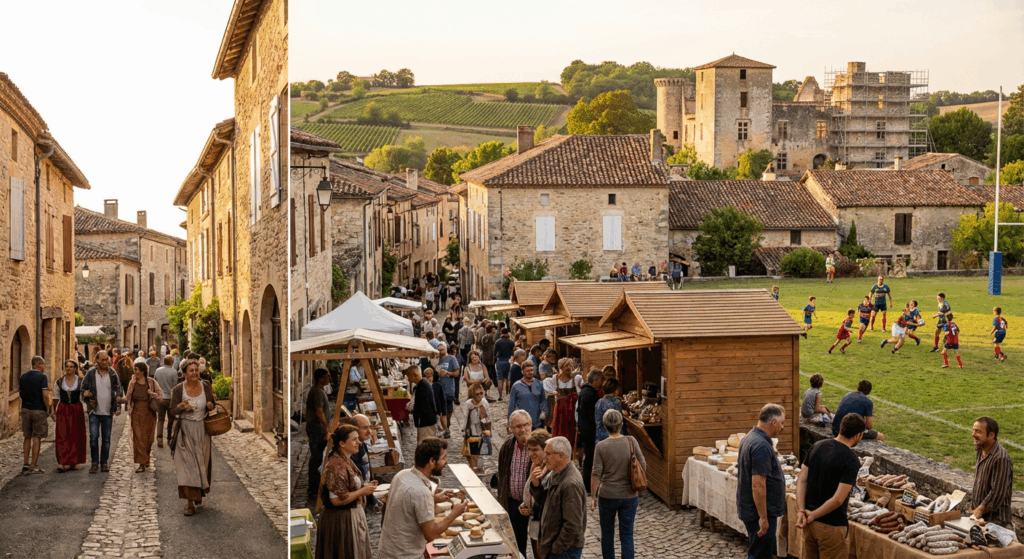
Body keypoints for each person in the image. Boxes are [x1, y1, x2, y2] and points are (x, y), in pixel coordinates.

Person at [377, 438, 468, 559]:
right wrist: (454, 513)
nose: (446, 462)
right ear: (431, 461)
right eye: (443, 458)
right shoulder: (421, 492)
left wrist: (433, 499)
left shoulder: (402, 474)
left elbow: (407, 504)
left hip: (388, 551)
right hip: (404, 555)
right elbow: (431, 534)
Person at [795, 413, 866, 559]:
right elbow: (838, 499)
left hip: (809, 523)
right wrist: (813, 515)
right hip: (831, 526)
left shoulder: (817, 446)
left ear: (841, 428)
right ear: (858, 435)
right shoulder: (851, 460)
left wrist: (802, 511)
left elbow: (801, 480)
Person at [316, 424, 376, 559]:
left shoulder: (346, 459)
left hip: (351, 516)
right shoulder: (336, 465)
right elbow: (336, 500)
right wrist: (362, 491)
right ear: (342, 443)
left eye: (358, 439)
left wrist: (365, 487)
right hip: (341, 521)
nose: (359, 442)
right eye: (354, 439)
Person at [736, 403, 787, 559]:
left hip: (751, 509)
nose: (783, 427)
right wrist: (763, 518)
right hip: (759, 513)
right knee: (760, 555)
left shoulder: (750, 437)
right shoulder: (761, 446)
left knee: (762, 551)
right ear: (773, 422)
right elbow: (758, 485)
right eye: (782, 423)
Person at [592, 409, 643, 559]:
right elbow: (642, 464)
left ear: (605, 425)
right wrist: (637, 484)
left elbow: (596, 474)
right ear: (621, 424)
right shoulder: (631, 441)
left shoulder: (601, 447)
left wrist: (594, 497)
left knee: (607, 533)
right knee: (627, 534)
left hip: (607, 495)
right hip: (629, 495)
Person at [169, 359, 216, 516]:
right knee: (188, 467)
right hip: (185, 430)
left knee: (201, 464)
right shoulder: (178, 389)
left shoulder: (206, 386)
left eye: (196, 370)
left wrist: (210, 405)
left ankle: (198, 493)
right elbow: (172, 411)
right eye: (191, 370)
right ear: (184, 374)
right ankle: (190, 503)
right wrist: (182, 406)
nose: (195, 373)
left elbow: (212, 403)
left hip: (202, 431)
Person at [536, 436, 587, 559]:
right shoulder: (555, 473)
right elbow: (544, 501)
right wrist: (535, 485)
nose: (544, 457)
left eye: (548, 454)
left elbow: (572, 525)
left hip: (564, 552)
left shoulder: (570, 484)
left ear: (561, 455)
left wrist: (556, 548)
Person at [498, 410, 536, 557]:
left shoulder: (540, 445)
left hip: (535, 504)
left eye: (525, 425)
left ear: (531, 424)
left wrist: (533, 503)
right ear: (511, 429)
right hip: (514, 503)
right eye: (517, 427)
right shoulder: (508, 446)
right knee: (517, 544)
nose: (522, 429)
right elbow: (502, 475)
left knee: (538, 544)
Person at [82, 351, 124, 474]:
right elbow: (83, 389)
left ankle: (104, 463)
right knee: (94, 438)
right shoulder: (90, 373)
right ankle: (94, 463)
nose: (106, 362)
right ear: (97, 360)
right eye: (103, 360)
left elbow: (119, 391)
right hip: (94, 411)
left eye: (107, 359)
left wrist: (117, 407)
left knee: (106, 439)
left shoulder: (112, 373)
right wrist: (87, 397)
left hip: (108, 412)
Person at [970, 416, 1014, 528]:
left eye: (978, 431)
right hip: (980, 517)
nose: (973, 434)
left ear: (991, 435)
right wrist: (973, 504)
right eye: (973, 430)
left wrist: (980, 509)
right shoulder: (980, 449)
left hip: (995, 521)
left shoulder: (1001, 458)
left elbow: (997, 493)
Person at [520, 428, 551, 559]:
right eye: (529, 450)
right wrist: (525, 504)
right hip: (534, 525)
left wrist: (533, 507)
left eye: (535, 450)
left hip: (544, 527)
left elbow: (546, 499)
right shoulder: (534, 466)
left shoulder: (549, 471)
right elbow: (530, 492)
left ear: (545, 450)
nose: (531, 454)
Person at [126, 361, 163, 472]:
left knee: (149, 438)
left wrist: (154, 395)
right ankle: (141, 463)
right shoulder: (132, 382)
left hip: (149, 413)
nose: (134, 372)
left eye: (136, 369)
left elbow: (160, 395)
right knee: (138, 438)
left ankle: (146, 459)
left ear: (142, 371)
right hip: (136, 413)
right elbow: (128, 397)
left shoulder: (151, 382)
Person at [52, 360, 87, 472]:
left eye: (71, 367)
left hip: (76, 409)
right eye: (67, 366)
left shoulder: (81, 381)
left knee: (75, 435)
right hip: (63, 409)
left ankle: (73, 461)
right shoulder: (59, 381)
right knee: (62, 435)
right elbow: (56, 397)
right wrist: (53, 410)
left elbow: (85, 395)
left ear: (75, 368)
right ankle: (62, 462)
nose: (69, 369)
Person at [20, 356, 51, 475]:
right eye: (44, 365)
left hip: (25, 409)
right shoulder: (42, 377)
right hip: (38, 410)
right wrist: (48, 408)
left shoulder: (23, 376)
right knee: (37, 437)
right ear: (40, 365)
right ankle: (33, 466)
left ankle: (25, 464)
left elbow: (21, 392)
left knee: (27, 436)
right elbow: (45, 394)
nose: (45, 367)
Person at [306, 368, 331, 499]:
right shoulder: (317, 392)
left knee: (319, 457)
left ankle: (316, 486)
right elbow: (319, 411)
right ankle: (313, 488)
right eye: (327, 377)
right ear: (321, 378)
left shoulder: (319, 391)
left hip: (318, 429)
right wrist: (327, 427)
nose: (329, 378)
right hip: (317, 430)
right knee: (316, 458)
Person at [576, 368, 601, 492]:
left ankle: (587, 484)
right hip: (589, 430)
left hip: (584, 429)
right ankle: (587, 485)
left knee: (589, 458)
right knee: (590, 458)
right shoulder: (591, 393)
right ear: (595, 381)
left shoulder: (584, 390)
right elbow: (592, 415)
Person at [508, 359, 548, 429]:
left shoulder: (539, 384)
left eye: (531, 370)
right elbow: (511, 405)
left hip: (537, 422)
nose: (530, 372)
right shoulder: (516, 386)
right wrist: (509, 423)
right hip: (522, 423)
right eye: (527, 371)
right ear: (523, 371)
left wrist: (544, 411)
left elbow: (543, 400)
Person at [404, 365, 438, 445]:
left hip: (426, 422)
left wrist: (412, 409)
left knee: (426, 446)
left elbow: (424, 406)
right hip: (425, 421)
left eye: (409, 376)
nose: (408, 379)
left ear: (415, 375)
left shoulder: (423, 386)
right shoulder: (422, 385)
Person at [432, 343, 460, 437]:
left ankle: (447, 425)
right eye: (438, 350)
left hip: (448, 388)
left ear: (446, 349)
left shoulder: (451, 358)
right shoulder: (436, 361)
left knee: (449, 410)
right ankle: (445, 429)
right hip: (438, 389)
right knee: (440, 410)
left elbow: (457, 373)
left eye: (442, 349)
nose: (440, 351)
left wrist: (447, 373)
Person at [462, 382, 490, 473]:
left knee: (479, 453)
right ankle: (473, 469)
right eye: (477, 394)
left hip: (481, 430)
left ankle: (476, 470)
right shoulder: (468, 403)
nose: (479, 396)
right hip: (471, 430)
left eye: (481, 393)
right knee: (471, 452)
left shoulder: (485, 403)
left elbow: (489, 418)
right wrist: (463, 430)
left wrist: (483, 413)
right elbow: (465, 417)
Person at [552, 358, 579, 450]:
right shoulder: (555, 378)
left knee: (571, 430)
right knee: (559, 429)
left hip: (571, 409)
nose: (569, 368)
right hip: (560, 409)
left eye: (570, 365)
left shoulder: (575, 379)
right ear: (561, 367)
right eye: (566, 365)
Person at [154, 355, 179, 449]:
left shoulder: (158, 370)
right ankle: (169, 438)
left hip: (160, 397)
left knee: (160, 419)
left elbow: (155, 382)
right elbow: (175, 386)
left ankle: (159, 437)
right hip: (170, 398)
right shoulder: (173, 372)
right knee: (170, 419)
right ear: (172, 362)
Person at [594, 378, 623, 444]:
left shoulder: (599, 402)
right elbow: (618, 421)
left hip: (599, 439)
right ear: (615, 390)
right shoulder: (616, 402)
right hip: (613, 439)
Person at [494, 328, 515, 400]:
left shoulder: (497, 342)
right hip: (509, 360)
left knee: (500, 379)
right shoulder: (511, 342)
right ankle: (508, 395)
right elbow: (513, 352)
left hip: (500, 361)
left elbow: (495, 353)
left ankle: (500, 396)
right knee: (508, 379)